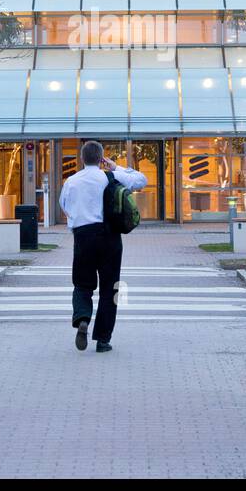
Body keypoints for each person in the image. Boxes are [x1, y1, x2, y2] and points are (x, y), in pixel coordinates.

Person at [57, 140, 147, 352]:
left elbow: (64, 205)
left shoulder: (71, 181)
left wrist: (77, 218)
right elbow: (141, 180)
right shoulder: (110, 176)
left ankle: (82, 318)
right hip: (109, 237)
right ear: (101, 158)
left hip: (82, 237)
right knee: (111, 288)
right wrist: (116, 167)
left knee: (81, 284)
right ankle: (103, 340)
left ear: (82, 158)